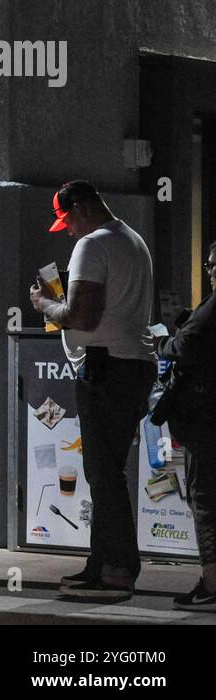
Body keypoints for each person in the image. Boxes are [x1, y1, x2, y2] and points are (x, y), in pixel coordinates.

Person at [30, 180, 155, 600]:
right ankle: (102, 563)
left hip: (106, 367)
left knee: (103, 474)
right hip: (133, 364)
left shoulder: (93, 244)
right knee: (107, 471)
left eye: (67, 221)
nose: (68, 231)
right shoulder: (132, 239)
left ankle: (116, 568)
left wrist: (45, 304)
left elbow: (81, 315)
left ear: (82, 208)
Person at [148, 241, 216, 610]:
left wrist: (164, 344)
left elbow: (188, 347)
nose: (209, 271)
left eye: (213, 265)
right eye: (207, 265)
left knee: (204, 499)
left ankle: (211, 582)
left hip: (205, 420)